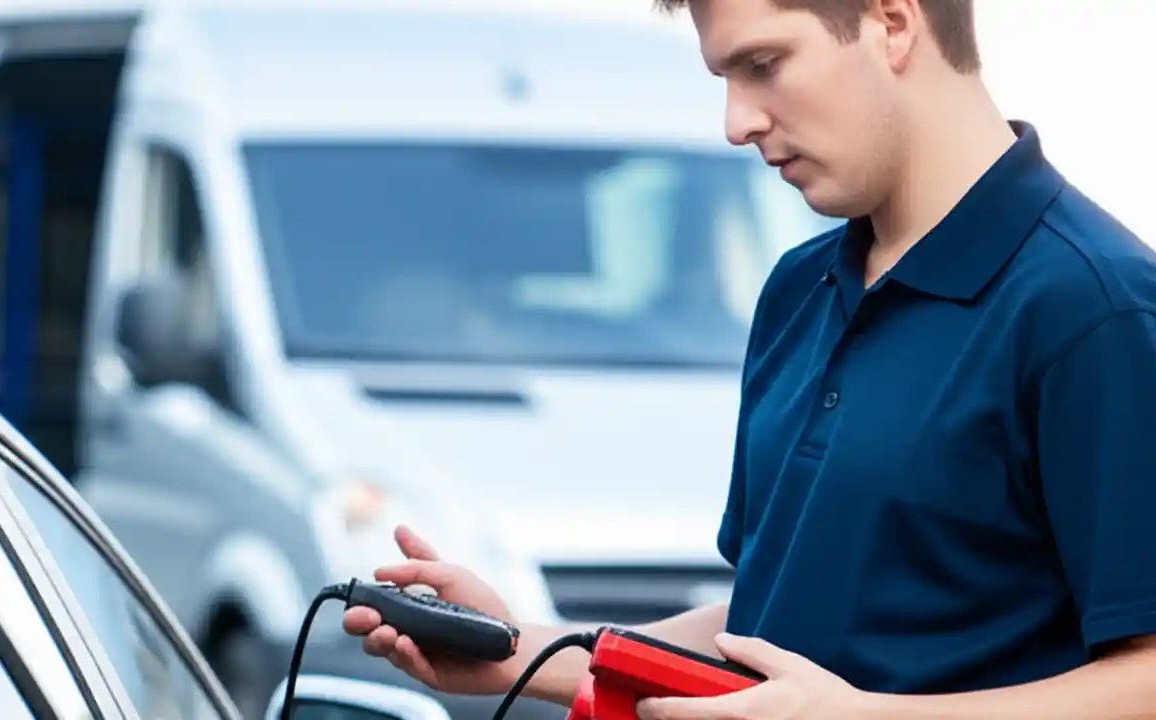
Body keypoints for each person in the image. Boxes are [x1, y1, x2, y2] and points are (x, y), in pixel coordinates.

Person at [345, 0, 1156, 716]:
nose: (736, 122)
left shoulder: (1097, 307)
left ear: (894, 20)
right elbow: (761, 627)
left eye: (763, 65)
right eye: (725, 77)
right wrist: (530, 652)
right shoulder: (799, 290)